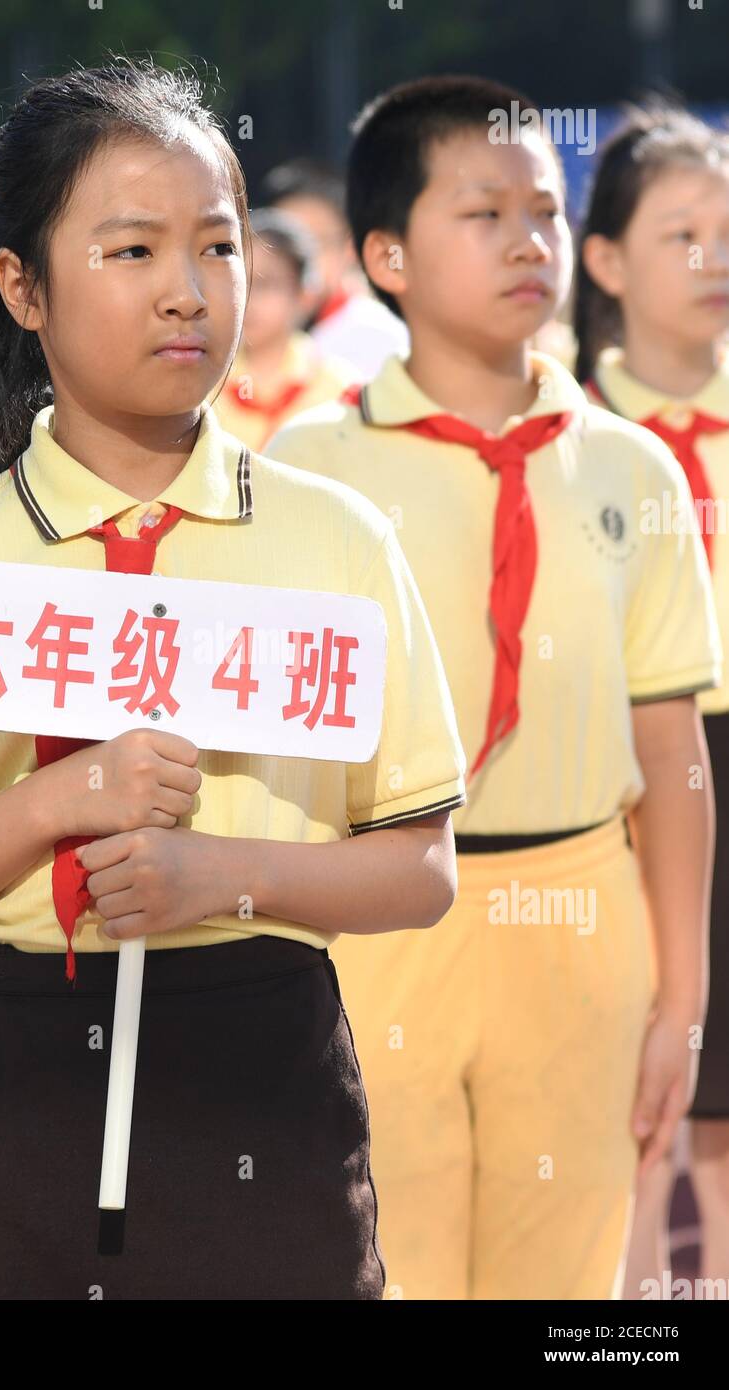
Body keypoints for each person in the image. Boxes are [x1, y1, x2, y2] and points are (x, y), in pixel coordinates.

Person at [0, 58, 467, 1301]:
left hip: (267, 1078)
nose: (188, 291)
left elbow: (421, 866)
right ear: (21, 286)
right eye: (132, 252)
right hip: (22, 1081)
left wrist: (223, 875)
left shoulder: (338, 541)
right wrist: (52, 805)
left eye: (216, 249)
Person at [266, 75, 721, 1300]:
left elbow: (672, 748)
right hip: (379, 908)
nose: (530, 240)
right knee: (379, 1262)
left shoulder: (634, 467)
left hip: (583, 912)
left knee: (566, 1284)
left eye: (545, 213)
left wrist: (682, 994)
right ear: (383, 254)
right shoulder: (309, 467)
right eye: (482, 213)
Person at [576, 103, 729, 1297]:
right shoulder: (570, 434)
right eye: (683, 234)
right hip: (626, 767)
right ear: (608, 261)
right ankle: (621, 1301)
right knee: (629, 1067)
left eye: (727, 230)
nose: (715, 256)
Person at [213, 207, 356, 450]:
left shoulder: (337, 387)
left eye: (265, 284)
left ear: (304, 295)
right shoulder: (207, 384)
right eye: (239, 283)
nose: (249, 299)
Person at [259, 157, 409, 377]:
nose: (301, 259)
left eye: (315, 242)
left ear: (349, 250)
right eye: (284, 245)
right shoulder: (247, 331)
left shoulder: (379, 336)